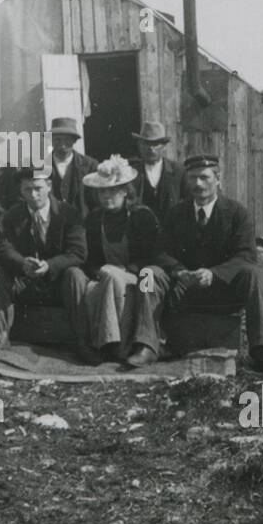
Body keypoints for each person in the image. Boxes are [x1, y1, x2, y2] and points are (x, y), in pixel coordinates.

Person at [155, 154, 263, 374]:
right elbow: (161, 252)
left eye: (204, 177)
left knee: (255, 274)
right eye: (193, 178)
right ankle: (150, 342)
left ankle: (262, 349)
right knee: (149, 275)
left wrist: (214, 274)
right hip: (185, 290)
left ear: (217, 179)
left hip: (224, 291)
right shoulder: (176, 213)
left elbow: (246, 255)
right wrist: (179, 272)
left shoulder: (237, 213)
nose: (197, 184)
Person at [0, 164, 92, 362]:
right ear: (21, 192)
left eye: (38, 188)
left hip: (57, 283)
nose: (33, 195)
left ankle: (83, 339)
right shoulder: (13, 215)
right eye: (27, 190)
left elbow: (78, 252)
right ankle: (0, 336)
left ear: (49, 186)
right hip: (26, 283)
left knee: (76, 275)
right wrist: (23, 263)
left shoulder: (69, 213)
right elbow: (4, 248)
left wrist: (49, 265)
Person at [79, 155, 168, 368]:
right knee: (100, 282)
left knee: (130, 279)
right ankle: (108, 344)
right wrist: (99, 270)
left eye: (113, 190)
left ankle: (138, 344)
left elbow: (152, 254)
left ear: (126, 191)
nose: (107, 196)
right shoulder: (94, 219)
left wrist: (126, 269)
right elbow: (89, 258)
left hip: (141, 273)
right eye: (102, 191)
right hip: (107, 274)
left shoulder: (141, 216)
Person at [128, 121, 185, 219]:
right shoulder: (130, 172)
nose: (151, 148)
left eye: (156, 143)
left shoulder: (178, 171)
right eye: (146, 143)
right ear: (140, 145)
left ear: (164, 147)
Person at [45, 117, 98, 218]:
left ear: (74, 141)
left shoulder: (90, 165)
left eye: (67, 140)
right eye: (57, 140)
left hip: (82, 226)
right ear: (51, 140)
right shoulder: (40, 166)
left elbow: (95, 200)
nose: (62, 145)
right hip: (51, 227)